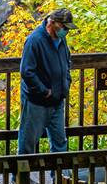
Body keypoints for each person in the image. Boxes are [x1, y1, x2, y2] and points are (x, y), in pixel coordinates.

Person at [18, 8, 74, 155]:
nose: (66, 31)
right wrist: (44, 90)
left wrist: (66, 82)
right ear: (53, 22)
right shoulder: (34, 40)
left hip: (58, 99)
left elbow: (66, 61)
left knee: (60, 144)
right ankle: (20, 177)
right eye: (64, 28)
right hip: (37, 101)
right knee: (28, 143)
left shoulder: (62, 39)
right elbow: (26, 71)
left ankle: (59, 177)